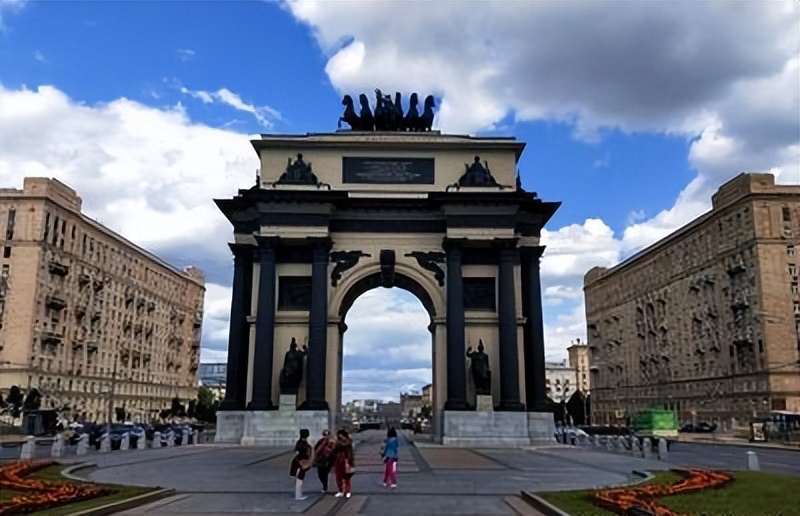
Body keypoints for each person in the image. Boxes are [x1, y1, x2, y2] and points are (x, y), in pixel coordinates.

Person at [289, 428, 313, 500]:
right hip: (300, 462)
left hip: (297, 462)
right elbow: (305, 454)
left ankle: (298, 494)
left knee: (299, 479)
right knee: (299, 479)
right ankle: (298, 495)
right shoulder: (304, 444)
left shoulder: (299, 443)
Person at [333, 429, 355, 498]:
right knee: (338, 477)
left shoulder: (348, 443)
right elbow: (334, 452)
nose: (340, 437)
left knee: (346, 477)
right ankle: (340, 490)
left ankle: (347, 491)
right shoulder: (337, 443)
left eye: (341, 435)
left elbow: (350, 454)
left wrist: (349, 462)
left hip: (345, 461)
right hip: (338, 461)